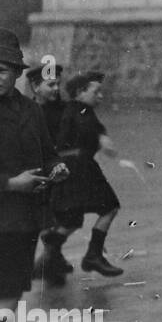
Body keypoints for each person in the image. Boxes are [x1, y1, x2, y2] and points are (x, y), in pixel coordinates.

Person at [0, 30, 67, 322]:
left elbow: (47, 152)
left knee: (6, 306)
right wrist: (11, 182)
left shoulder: (29, 111)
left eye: (8, 69)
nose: (1, 76)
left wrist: (55, 167)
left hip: (18, 225)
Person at [48, 71, 124, 278]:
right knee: (109, 207)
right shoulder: (80, 111)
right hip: (80, 167)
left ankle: (50, 255)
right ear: (81, 92)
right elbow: (92, 135)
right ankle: (93, 255)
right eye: (96, 91)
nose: (100, 96)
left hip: (67, 167)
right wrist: (102, 138)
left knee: (71, 219)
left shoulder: (76, 110)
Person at [24, 63, 69, 283]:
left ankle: (51, 258)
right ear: (35, 86)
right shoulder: (25, 112)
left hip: (60, 170)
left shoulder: (62, 109)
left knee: (65, 216)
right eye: (50, 84)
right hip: (38, 173)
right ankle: (51, 260)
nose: (55, 89)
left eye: (58, 85)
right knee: (47, 217)